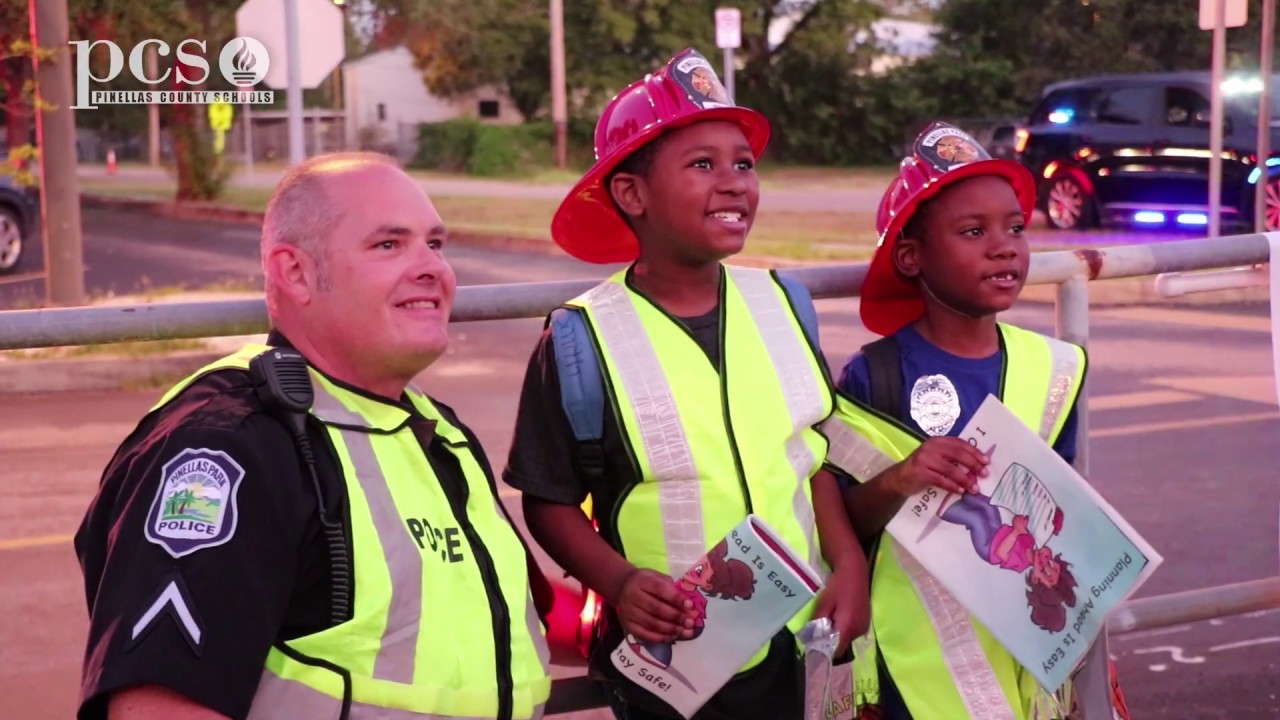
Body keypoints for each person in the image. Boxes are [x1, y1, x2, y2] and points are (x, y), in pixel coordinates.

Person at [73, 151, 552, 720]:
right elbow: (157, 705)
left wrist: (636, 604)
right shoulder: (231, 443)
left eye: (436, 244)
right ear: (295, 271)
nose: (433, 268)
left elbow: (514, 613)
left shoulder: (436, 430)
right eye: (389, 245)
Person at [503, 48, 869, 720]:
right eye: (702, 165)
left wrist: (848, 562)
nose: (733, 182)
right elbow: (547, 502)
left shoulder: (784, 303)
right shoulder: (582, 340)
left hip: (803, 644)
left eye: (743, 164)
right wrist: (618, 583)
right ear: (632, 194)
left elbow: (811, 459)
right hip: (673, 668)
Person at [817, 122, 1131, 720]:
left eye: (1015, 228)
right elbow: (843, 521)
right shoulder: (875, 376)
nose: (1005, 246)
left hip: (1030, 655)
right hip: (916, 667)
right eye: (972, 231)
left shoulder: (1055, 366)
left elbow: (1062, 506)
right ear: (911, 257)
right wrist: (900, 479)